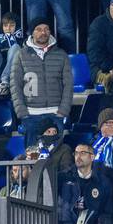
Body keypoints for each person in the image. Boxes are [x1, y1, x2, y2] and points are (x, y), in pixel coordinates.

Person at [10, 18, 74, 147]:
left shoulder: (61, 55)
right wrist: (22, 112)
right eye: (38, 29)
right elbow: (15, 85)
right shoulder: (21, 55)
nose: (43, 32)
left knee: (57, 157)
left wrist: (63, 110)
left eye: (46, 29)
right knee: (32, 156)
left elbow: (68, 84)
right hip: (31, 115)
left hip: (56, 114)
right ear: (31, 33)